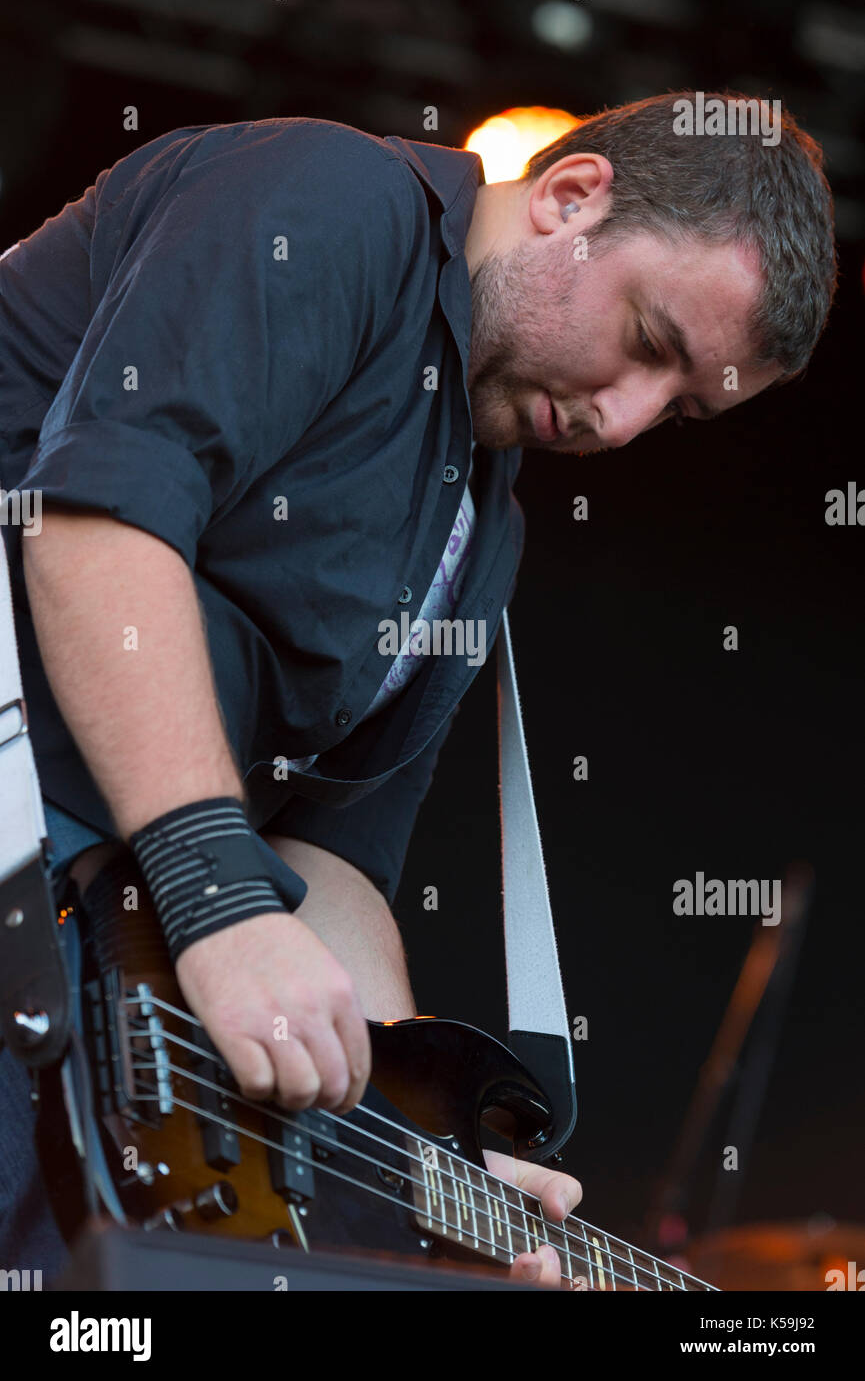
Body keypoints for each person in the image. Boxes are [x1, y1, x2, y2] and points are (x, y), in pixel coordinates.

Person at [0, 90, 837, 1288]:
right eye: (650, 341)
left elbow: (333, 864)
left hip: (68, 973)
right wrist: (221, 904)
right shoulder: (327, 202)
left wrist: (418, 1171)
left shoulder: (478, 535)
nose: (626, 418)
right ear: (569, 197)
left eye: (685, 408)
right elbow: (94, 526)